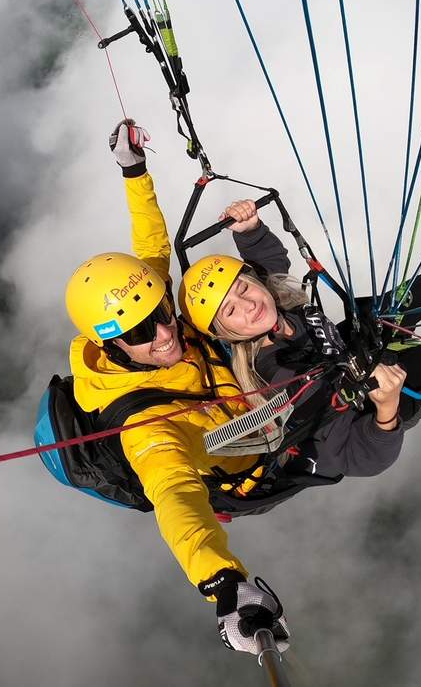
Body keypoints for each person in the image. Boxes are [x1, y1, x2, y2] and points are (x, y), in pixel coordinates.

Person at [63, 120, 292, 657]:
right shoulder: (144, 429)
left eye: (162, 313)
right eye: (141, 334)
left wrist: (133, 170)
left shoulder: (140, 305)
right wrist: (224, 584)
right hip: (251, 460)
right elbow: (175, 498)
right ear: (112, 346)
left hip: (242, 387)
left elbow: (150, 242)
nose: (165, 334)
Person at [180, 198, 421, 433]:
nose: (249, 305)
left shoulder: (274, 306)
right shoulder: (277, 367)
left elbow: (270, 266)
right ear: (226, 333)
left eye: (244, 289)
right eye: (230, 310)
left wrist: (250, 231)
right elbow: (318, 403)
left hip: (359, 347)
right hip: (385, 392)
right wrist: (369, 377)